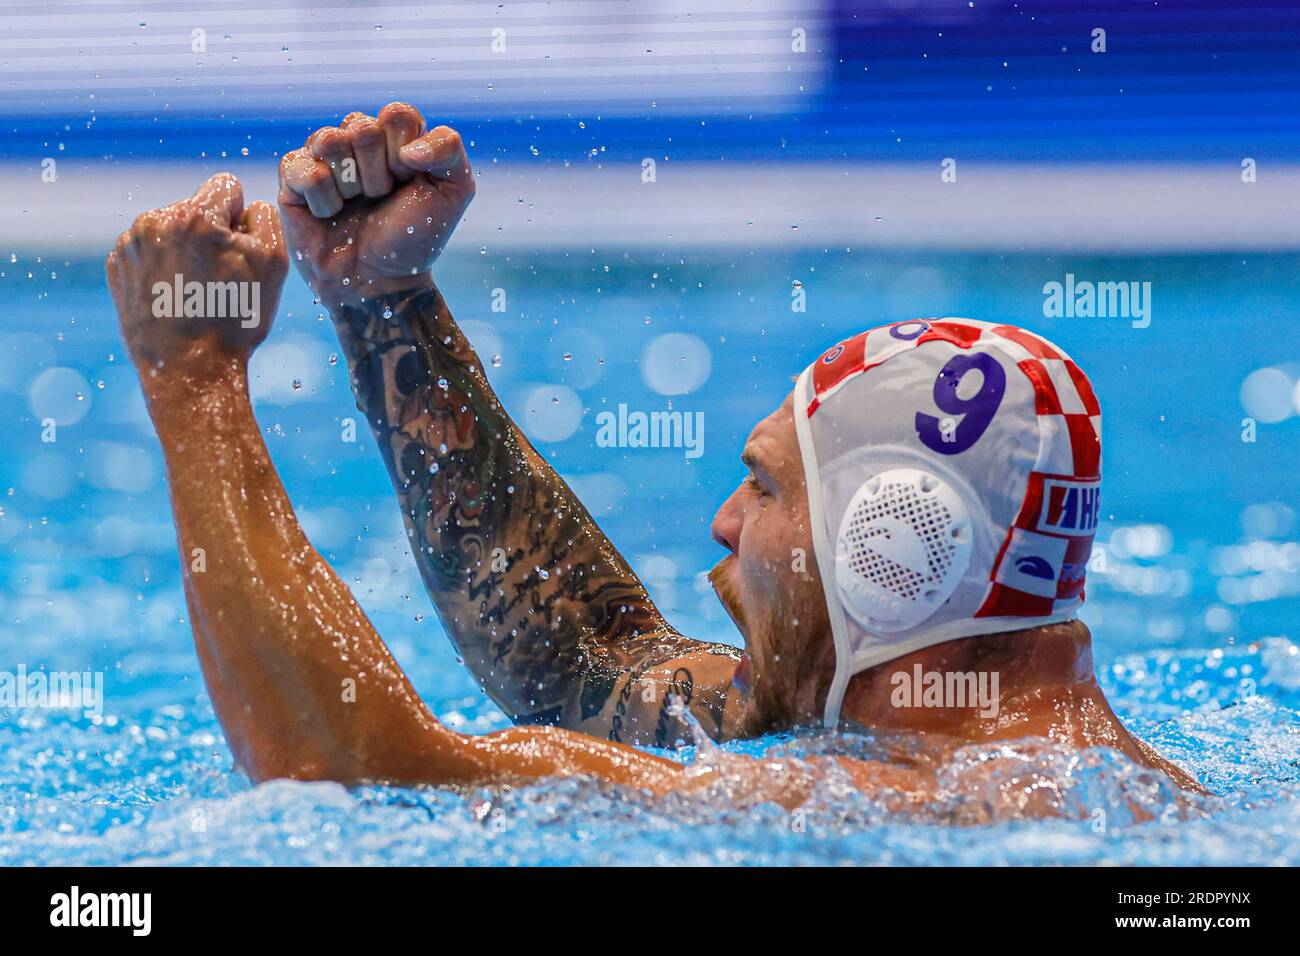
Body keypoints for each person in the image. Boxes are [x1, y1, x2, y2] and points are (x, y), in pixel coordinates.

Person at [104, 102, 1200, 817]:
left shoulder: (918, 805)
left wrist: (193, 382)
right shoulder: (962, 730)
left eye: (768, 484)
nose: (725, 522)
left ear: (892, 548)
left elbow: (343, 771)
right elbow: (594, 662)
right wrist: (381, 304)